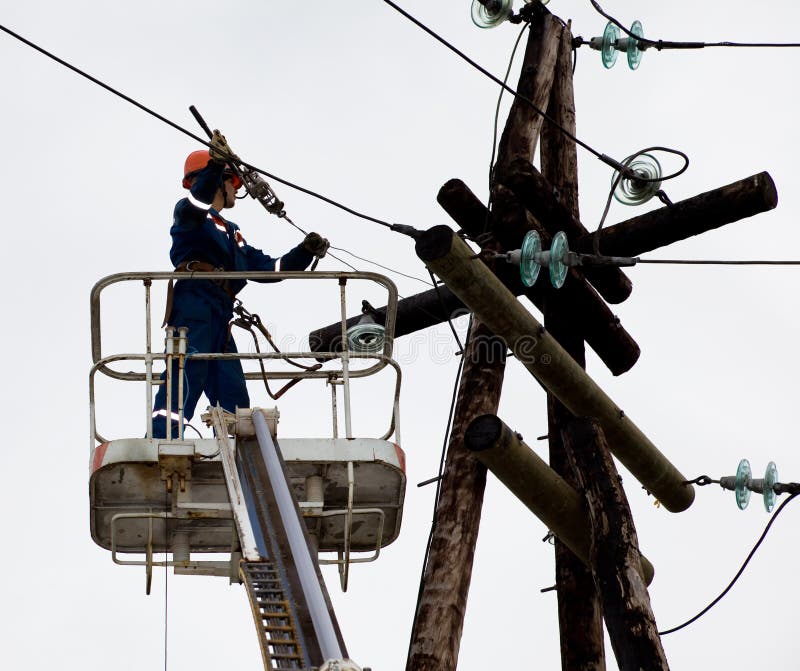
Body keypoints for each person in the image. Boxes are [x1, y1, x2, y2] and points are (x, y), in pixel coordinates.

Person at [151, 132, 329, 439]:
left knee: (231, 387)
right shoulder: (190, 213)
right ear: (218, 180)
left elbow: (271, 270)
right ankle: (162, 438)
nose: (237, 189)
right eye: (232, 182)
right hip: (194, 305)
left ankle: (240, 447)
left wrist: (305, 250)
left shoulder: (232, 233)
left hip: (221, 314)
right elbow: (197, 200)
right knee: (186, 371)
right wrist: (216, 166)